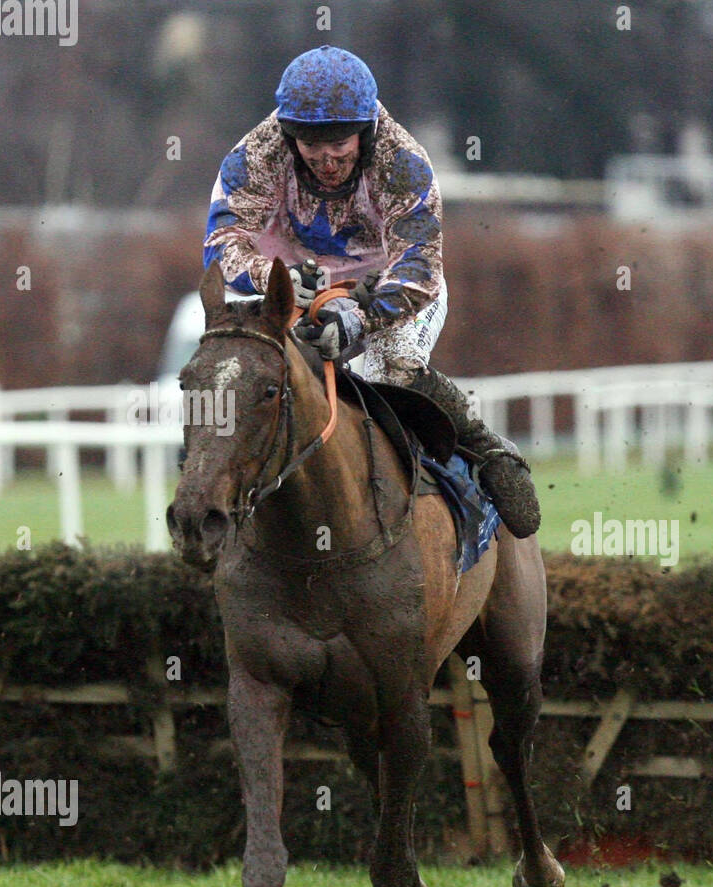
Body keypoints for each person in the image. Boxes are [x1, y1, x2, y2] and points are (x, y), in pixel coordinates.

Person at [202, 45, 539, 537]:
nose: (325, 160)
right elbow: (220, 246)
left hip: (389, 291)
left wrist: (360, 317)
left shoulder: (404, 162)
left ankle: (482, 446)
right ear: (289, 135)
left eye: (339, 145)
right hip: (295, 288)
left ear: (365, 131)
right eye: (310, 146)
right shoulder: (255, 155)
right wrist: (279, 279)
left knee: (392, 371)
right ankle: (218, 494)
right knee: (256, 379)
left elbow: (419, 267)